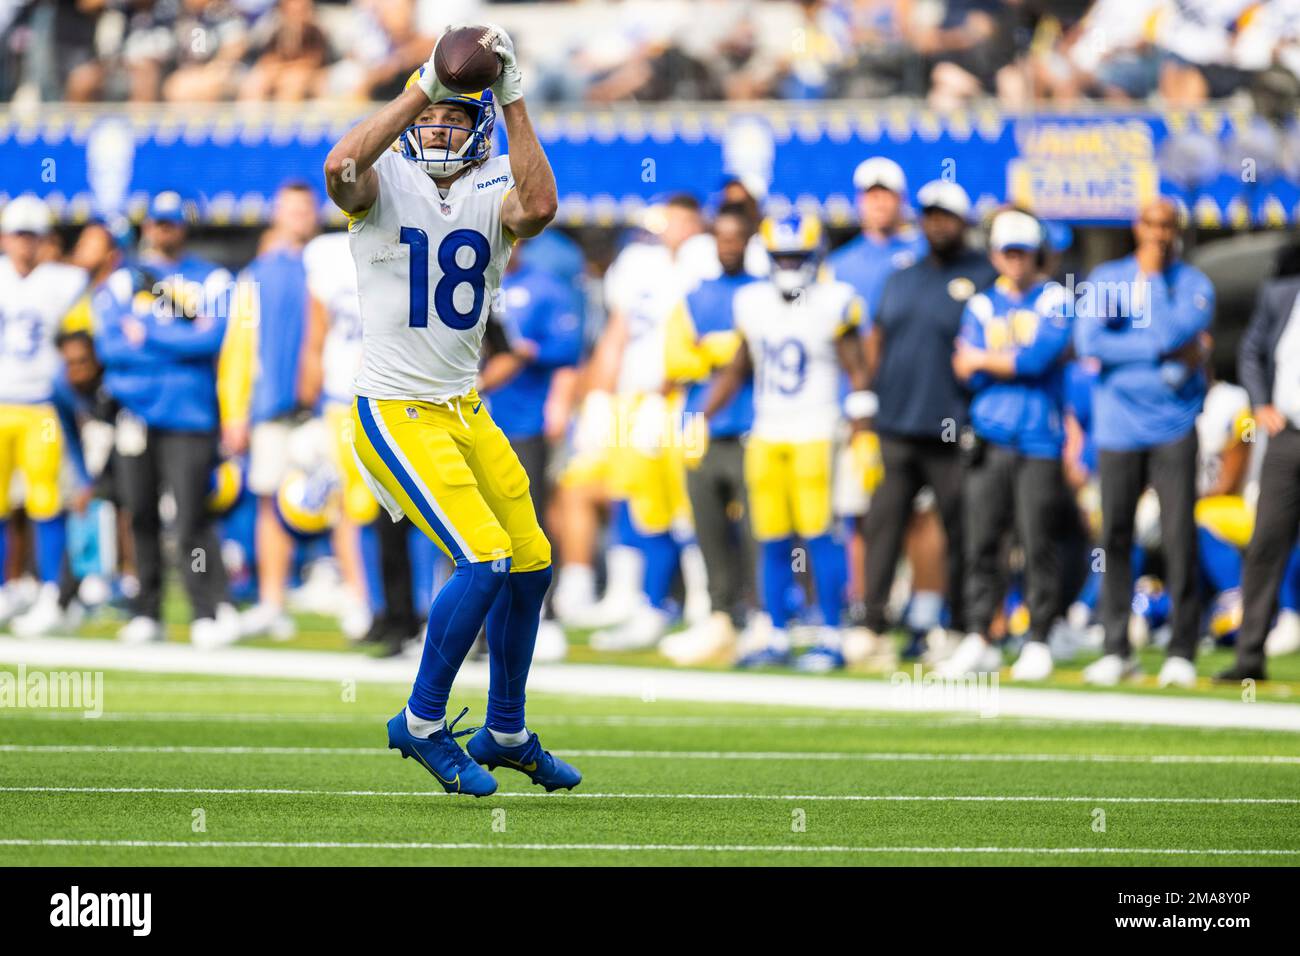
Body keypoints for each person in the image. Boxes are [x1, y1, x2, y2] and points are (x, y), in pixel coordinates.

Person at [323, 24, 579, 796]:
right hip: (396, 407)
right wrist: (426, 84)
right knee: (483, 559)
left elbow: (540, 206)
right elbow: (341, 166)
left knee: (530, 564)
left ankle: (505, 728)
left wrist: (514, 95)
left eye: (452, 117)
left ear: (480, 125)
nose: (437, 127)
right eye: (430, 117)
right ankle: (423, 722)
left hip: (464, 408)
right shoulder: (380, 184)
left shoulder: (492, 184)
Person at [702, 212, 872, 670]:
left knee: (820, 536)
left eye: (798, 256)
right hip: (767, 430)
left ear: (815, 257)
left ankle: (831, 634)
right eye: (783, 256)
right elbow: (740, 365)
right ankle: (774, 631)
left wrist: (863, 433)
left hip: (817, 430)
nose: (790, 265)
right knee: (771, 537)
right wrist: (701, 415)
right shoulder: (753, 302)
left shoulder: (834, 301)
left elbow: (858, 371)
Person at [1074, 198, 1214, 688]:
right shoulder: (1107, 279)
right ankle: (1116, 645)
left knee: (1178, 535)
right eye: (1151, 224)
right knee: (1113, 534)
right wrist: (1158, 352)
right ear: (1137, 227)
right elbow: (1090, 342)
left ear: (1176, 231)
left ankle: (1182, 648)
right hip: (1116, 427)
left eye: (1167, 226)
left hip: (1173, 426)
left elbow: (1182, 334)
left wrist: (1152, 284)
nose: (1158, 234)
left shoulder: (1192, 284)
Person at [94, 191, 237, 648]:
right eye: (156, 223)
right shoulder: (120, 280)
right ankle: (147, 609)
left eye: (171, 223)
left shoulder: (211, 277)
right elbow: (109, 347)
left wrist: (147, 336)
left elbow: (211, 340)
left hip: (190, 415)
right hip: (135, 412)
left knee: (193, 516)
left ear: (183, 227)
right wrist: (175, 339)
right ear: (146, 226)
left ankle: (205, 609)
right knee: (139, 513)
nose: (163, 230)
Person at [861, 180, 997, 653]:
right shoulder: (902, 275)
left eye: (947, 216)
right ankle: (871, 624)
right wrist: (866, 400)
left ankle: (959, 625)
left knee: (961, 528)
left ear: (963, 222)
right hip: (897, 423)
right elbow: (876, 339)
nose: (937, 224)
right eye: (930, 215)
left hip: (952, 423)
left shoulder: (983, 275)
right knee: (883, 524)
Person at [948, 210, 1073, 680]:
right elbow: (964, 367)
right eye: (1009, 252)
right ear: (996, 254)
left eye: (1024, 252)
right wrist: (1001, 361)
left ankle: (1039, 634)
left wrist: (986, 358)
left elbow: (1040, 358)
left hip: (1040, 436)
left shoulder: (1056, 298)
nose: (1017, 261)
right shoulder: (980, 304)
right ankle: (980, 633)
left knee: (1037, 539)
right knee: (982, 540)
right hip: (991, 435)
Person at [658, 203, 761, 665]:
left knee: (760, 529)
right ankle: (720, 615)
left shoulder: (762, 292)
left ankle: (760, 616)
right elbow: (677, 360)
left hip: (753, 425)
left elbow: (754, 352)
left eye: (737, 237)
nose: (729, 246)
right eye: (722, 237)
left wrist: (714, 349)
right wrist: (723, 351)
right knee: (709, 528)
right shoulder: (695, 294)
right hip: (701, 426)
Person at [220, 182, 320, 641]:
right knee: (268, 500)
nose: (298, 216)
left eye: (305, 208)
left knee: (334, 499)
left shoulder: (333, 262)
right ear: (278, 214)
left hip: (324, 406)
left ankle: (347, 590)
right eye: (290, 209)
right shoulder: (257, 273)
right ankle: (271, 599)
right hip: (271, 407)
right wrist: (235, 410)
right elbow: (239, 348)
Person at [478, 240, 584, 662]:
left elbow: (568, 347)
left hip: (523, 421)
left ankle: (543, 613)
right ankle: (480, 626)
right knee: (474, 527)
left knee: (528, 522)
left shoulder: (546, 287)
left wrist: (525, 352)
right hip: (471, 421)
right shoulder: (464, 280)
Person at [0, 195, 88, 628]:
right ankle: (6, 588)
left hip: (42, 407)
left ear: (46, 240)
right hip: (1, 403)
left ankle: (54, 592)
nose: (24, 244)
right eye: (18, 234)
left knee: (45, 501)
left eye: (32, 236)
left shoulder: (63, 281)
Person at [1217, 263, 1300, 681]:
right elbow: (1251, 350)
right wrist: (1260, 402)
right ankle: (1250, 654)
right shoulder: (1281, 294)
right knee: (1267, 542)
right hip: (1287, 437)